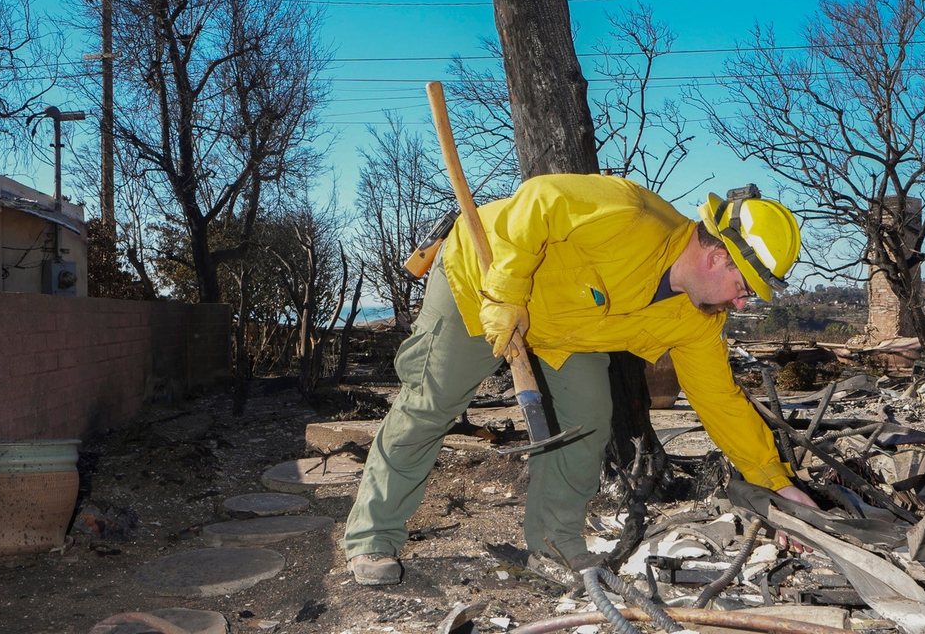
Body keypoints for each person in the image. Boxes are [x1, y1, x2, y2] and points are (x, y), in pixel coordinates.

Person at [343, 173, 818, 586]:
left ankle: (553, 544)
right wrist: (505, 293)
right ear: (719, 258)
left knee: (589, 417)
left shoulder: (696, 318)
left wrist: (776, 483)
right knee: (431, 403)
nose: (741, 304)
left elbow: (721, 401)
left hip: (560, 330)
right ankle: (372, 538)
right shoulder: (628, 214)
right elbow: (538, 200)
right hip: (481, 280)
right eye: (745, 289)